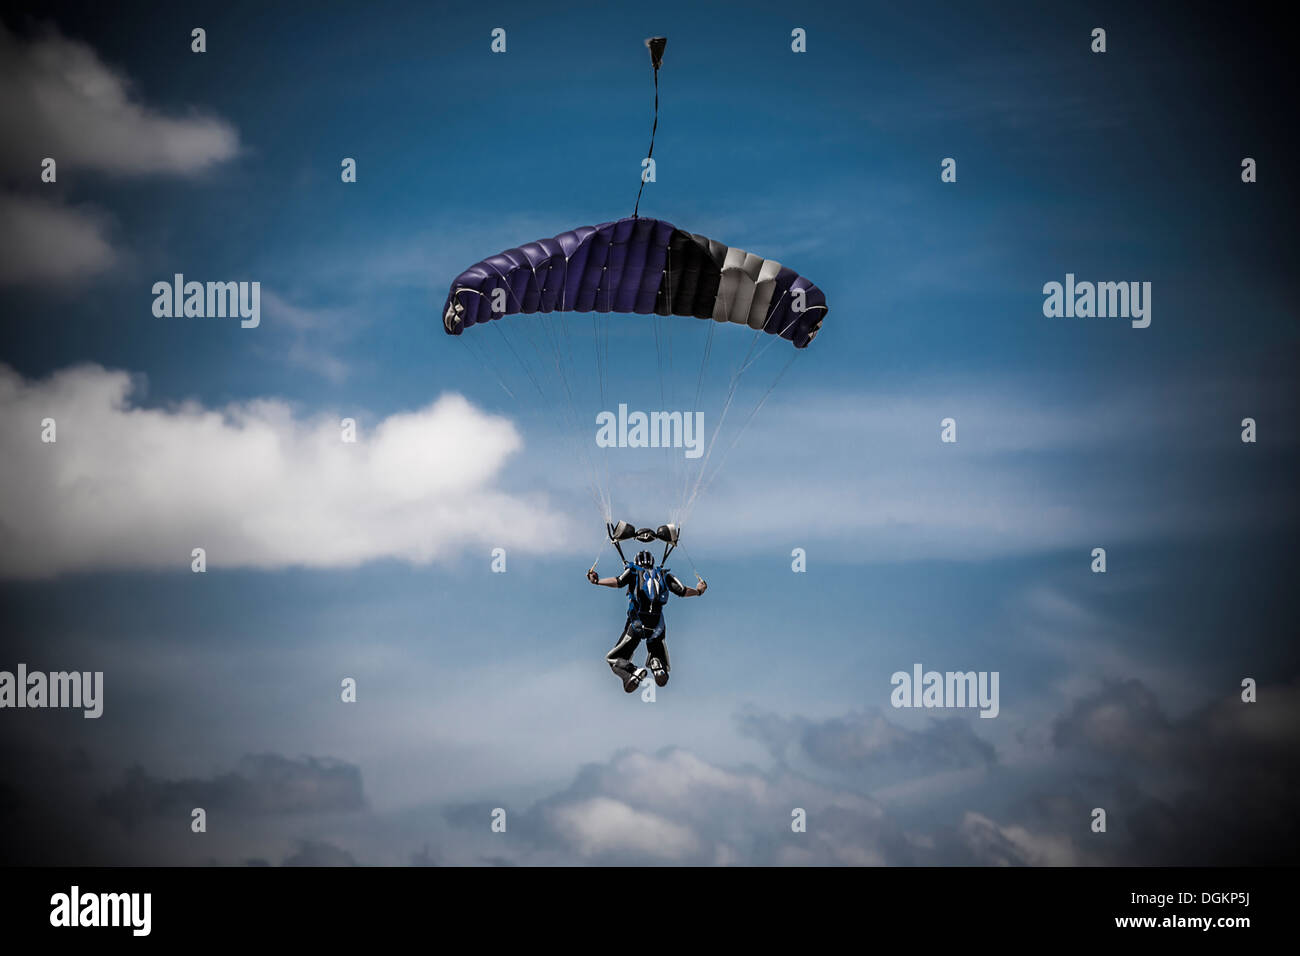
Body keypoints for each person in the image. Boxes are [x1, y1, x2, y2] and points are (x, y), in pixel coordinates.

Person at [587, 550, 707, 692]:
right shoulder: (663, 575)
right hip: (657, 626)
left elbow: (618, 582)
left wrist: (597, 581)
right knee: (657, 651)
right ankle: (657, 664)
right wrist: (699, 591)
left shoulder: (633, 571)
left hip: (637, 624)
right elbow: (682, 590)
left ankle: (633, 672)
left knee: (614, 659)